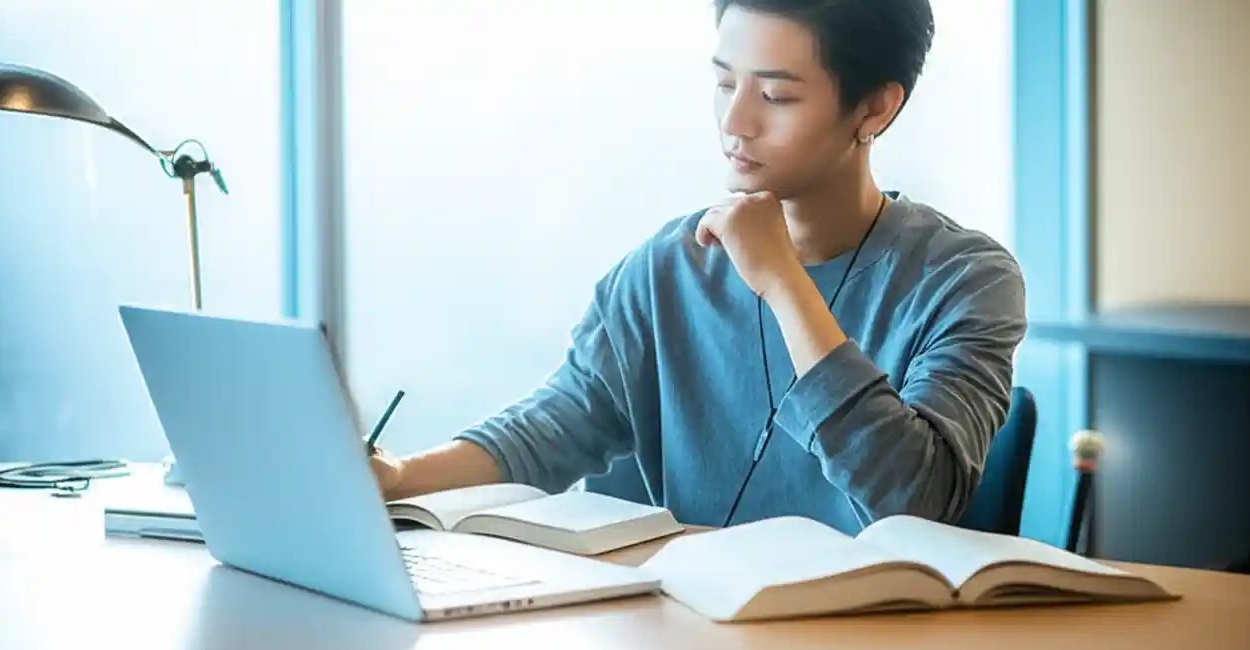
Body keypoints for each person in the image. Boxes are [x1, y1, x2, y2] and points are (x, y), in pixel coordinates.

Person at [369, 0, 1026, 535]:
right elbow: (548, 432)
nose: (735, 122)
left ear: (875, 109)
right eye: (724, 83)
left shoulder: (964, 280)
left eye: (775, 95)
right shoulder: (665, 270)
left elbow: (916, 499)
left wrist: (783, 283)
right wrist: (397, 478)